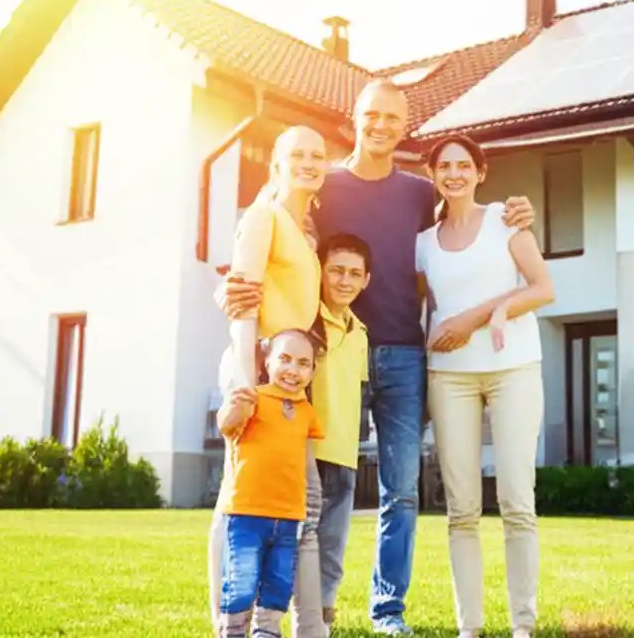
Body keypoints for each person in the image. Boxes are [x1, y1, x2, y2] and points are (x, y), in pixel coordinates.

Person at [218, 79, 535, 635]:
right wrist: (227, 287)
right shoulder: (324, 183)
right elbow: (271, 229)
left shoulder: (419, 193)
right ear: (355, 120)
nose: (382, 125)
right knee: (331, 485)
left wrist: (518, 208)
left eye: (393, 117)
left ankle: (388, 610)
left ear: (404, 125)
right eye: (373, 115)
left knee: (402, 491)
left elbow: (463, 222)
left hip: (405, 354)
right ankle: (320, 606)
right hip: (336, 352)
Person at [416, 135, 553, 638]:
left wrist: (478, 317)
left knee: (517, 502)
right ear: (433, 175)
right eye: (444, 166)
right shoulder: (423, 244)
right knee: (462, 510)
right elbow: (421, 308)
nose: (453, 174)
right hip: (449, 376)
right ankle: (468, 629)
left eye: (463, 165)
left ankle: (522, 627)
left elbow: (543, 288)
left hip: (513, 368)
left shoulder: (505, 219)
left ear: (480, 172)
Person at [209, 125, 330, 638]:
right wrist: (246, 383)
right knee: (236, 504)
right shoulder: (263, 216)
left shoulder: (305, 231)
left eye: (317, 155)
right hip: (256, 375)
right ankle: (225, 624)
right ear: (277, 163)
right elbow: (243, 300)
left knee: (296, 502)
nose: (309, 162)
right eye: (297, 154)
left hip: (286, 382)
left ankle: (291, 625)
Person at [214, 328, 326, 638]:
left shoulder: (307, 413)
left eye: (303, 363)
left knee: (278, 583)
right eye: (285, 359)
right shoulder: (254, 398)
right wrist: (234, 407)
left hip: (288, 517)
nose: (293, 370)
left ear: (313, 371)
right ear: (267, 361)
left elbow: (302, 461)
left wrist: (308, 509)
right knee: (242, 579)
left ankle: (267, 631)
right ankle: (233, 630)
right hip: (246, 514)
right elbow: (226, 426)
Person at [309, 233, 373, 634]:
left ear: (366, 280)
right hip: (307, 451)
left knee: (332, 547)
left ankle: (322, 619)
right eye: (336, 271)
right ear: (320, 272)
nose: (344, 280)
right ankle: (283, 618)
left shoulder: (360, 331)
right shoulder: (307, 319)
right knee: (298, 542)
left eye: (353, 273)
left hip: (345, 455)